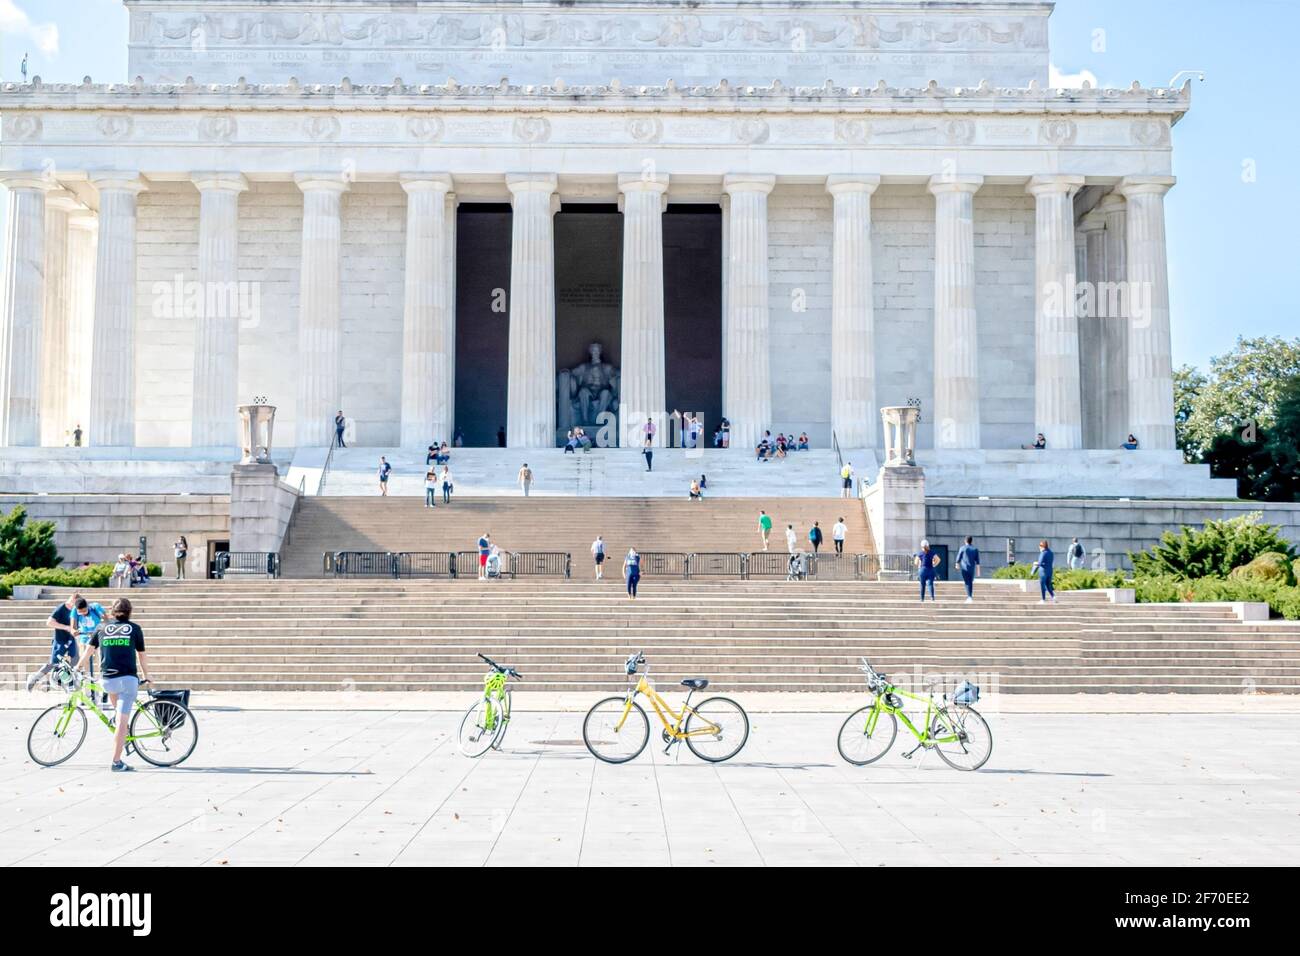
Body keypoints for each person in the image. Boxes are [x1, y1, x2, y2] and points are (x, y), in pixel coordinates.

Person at [75, 598, 152, 772]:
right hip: (128, 680)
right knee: (121, 722)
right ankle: (116, 761)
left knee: (116, 708)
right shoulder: (135, 629)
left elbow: (88, 651)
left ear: (112, 611)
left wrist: (78, 667)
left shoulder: (101, 628)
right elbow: (141, 656)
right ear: (129, 612)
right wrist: (147, 675)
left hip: (108, 681)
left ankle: (118, 725)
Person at [25, 593, 81, 691]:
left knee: (76, 659)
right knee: (53, 663)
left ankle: (70, 682)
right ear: (71, 600)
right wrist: (65, 627)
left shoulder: (75, 610)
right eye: (74, 603)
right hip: (60, 640)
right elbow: (49, 622)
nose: (75, 606)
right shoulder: (61, 608)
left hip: (70, 639)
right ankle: (34, 678)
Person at [73, 596, 108, 703]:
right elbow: (72, 627)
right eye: (80, 612)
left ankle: (104, 691)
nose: (83, 614)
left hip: (98, 638)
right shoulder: (75, 611)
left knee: (101, 665)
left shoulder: (95, 607)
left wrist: (102, 620)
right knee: (85, 666)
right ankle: (86, 693)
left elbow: (106, 620)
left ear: (87, 606)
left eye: (84, 611)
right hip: (84, 639)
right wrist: (74, 631)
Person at [955, 535, 980, 602]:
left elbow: (959, 557)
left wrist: (957, 564)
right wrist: (978, 571)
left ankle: (969, 597)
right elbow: (977, 561)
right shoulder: (975, 549)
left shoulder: (962, 548)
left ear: (965, 541)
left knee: (967, 582)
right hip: (972, 568)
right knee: (970, 582)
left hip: (964, 568)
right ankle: (970, 596)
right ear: (971, 541)